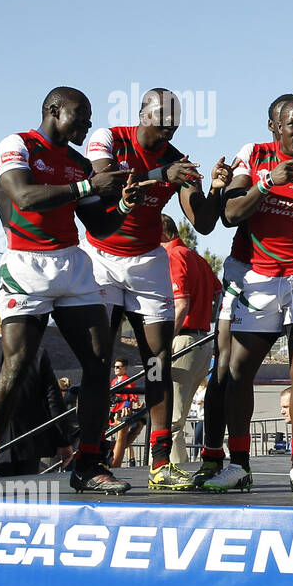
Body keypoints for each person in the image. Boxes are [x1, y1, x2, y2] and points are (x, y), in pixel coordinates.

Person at [0, 86, 138, 496]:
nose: (87, 124)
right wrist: (88, 187)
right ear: (53, 110)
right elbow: (25, 197)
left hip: (72, 263)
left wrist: (124, 206)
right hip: (25, 265)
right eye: (80, 116)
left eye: (90, 117)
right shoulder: (18, 144)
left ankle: (88, 465)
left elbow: (98, 227)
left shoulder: (79, 163)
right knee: (17, 367)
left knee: (100, 362)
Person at [84, 88, 227, 488]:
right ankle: (90, 461)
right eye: (160, 115)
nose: (168, 123)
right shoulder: (110, 137)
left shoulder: (177, 161)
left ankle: (161, 462)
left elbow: (202, 223)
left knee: (158, 362)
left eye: (175, 117)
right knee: (98, 360)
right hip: (102, 257)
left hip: (148, 260)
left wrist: (213, 187)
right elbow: (103, 184)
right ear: (141, 112)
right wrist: (158, 176)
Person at [206, 98, 293, 493]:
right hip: (257, 277)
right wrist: (268, 182)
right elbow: (231, 214)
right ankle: (237, 463)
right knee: (238, 371)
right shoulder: (253, 155)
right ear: (274, 126)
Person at [0, 313, 69, 475]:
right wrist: (63, 441)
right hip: (28, 443)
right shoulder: (38, 355)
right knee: (26, 495)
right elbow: (53, 401)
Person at [161, 215, 221, 467]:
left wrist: (164, 342)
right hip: (200, 340)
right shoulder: (195, 256)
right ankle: (179, 468)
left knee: (170, 417)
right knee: (176, 415)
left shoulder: (175, 256)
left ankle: (174, 471)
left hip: (184, 340)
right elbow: (218, 294)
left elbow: (181, 303)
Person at [108, 357, 143, 467]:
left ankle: (130, 460)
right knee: (116, 437)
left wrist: (136, 404)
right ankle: (116, 458)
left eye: (118, 367)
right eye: (115, 367)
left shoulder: (127, 380)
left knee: (122, 436)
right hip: (114, 410)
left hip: (123, 410)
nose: (116, 369)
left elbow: (133, 395)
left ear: (124, 368)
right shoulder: (114, 381)